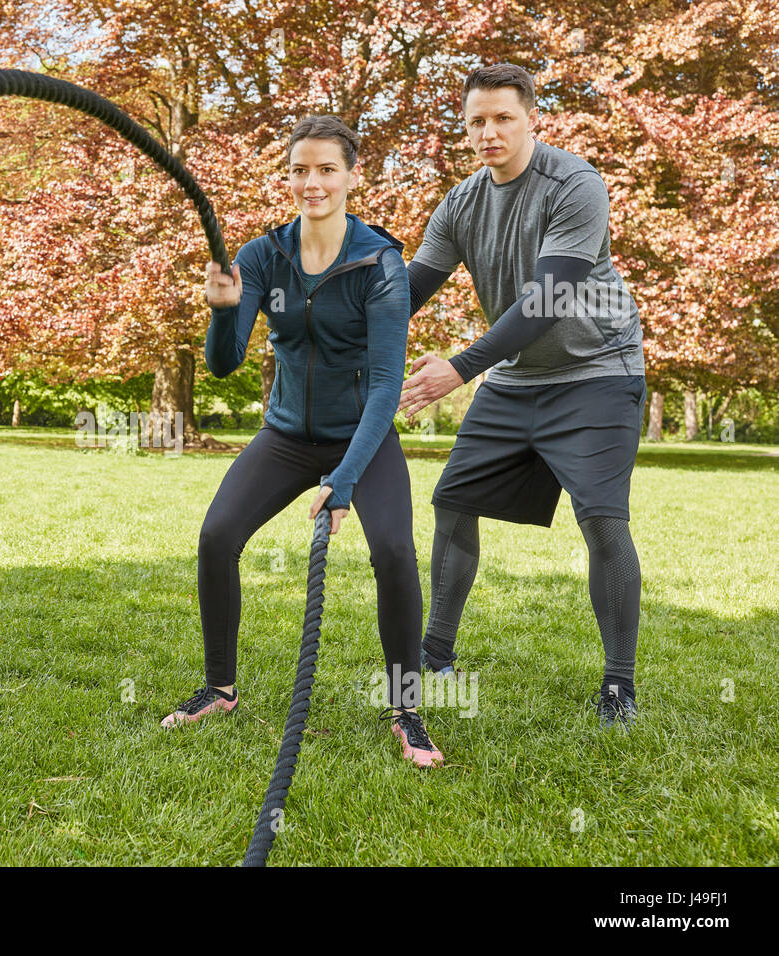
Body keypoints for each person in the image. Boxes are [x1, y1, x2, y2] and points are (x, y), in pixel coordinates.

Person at [160, 115, 443, 767]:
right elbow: (226, 362)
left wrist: (343, 480)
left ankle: (407, 710)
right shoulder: (264, 255)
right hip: (286, 435)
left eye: (325, 169)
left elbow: (383, 386)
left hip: (362, 439)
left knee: (395, 553)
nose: (310, 182)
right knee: (216, 536)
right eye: (298, 169)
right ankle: (219, 689)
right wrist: (222, 308)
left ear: (352, 176)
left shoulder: (381, 263)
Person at [400, 64, 646, 728]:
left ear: (533, 117)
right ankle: (435, 655)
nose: (489, 132)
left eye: (503, 118)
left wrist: (460, 367)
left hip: (597, 371)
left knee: (600, 518)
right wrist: (333, 323)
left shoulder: (575, 185)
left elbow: (547, 299)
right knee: (454, 500)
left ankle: (618, 685)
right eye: (476, 120)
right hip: (517, 378)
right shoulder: (460, 203)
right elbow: (407, 292)